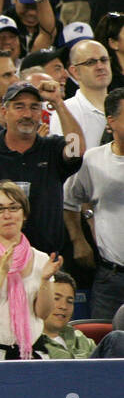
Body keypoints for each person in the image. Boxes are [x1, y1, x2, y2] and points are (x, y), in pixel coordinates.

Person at [0, 80, 84, 258]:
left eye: (35, 107)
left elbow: (76, 150)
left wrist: (58, 103)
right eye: (19, 107)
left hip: (47, 256)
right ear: (4, 112)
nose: (27, 114)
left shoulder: (52, 147)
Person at [0, 181, 60, 359]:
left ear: (24, 214)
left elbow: (43, 314)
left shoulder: (42, 259)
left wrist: (44, 281)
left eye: (14, 208)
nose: (7, 215)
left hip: (30, 353)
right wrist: (2, 271)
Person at [64, 87, 124, 318]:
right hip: (112, 276)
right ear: (111, 121)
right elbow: (69, 201)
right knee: (105, 345)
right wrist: (79, 240)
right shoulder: (93, 160)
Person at [41, 270, 97, 358]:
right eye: (56, 299)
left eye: (69, 301)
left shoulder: (80, 339)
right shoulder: (29, 344)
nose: (63, 306)